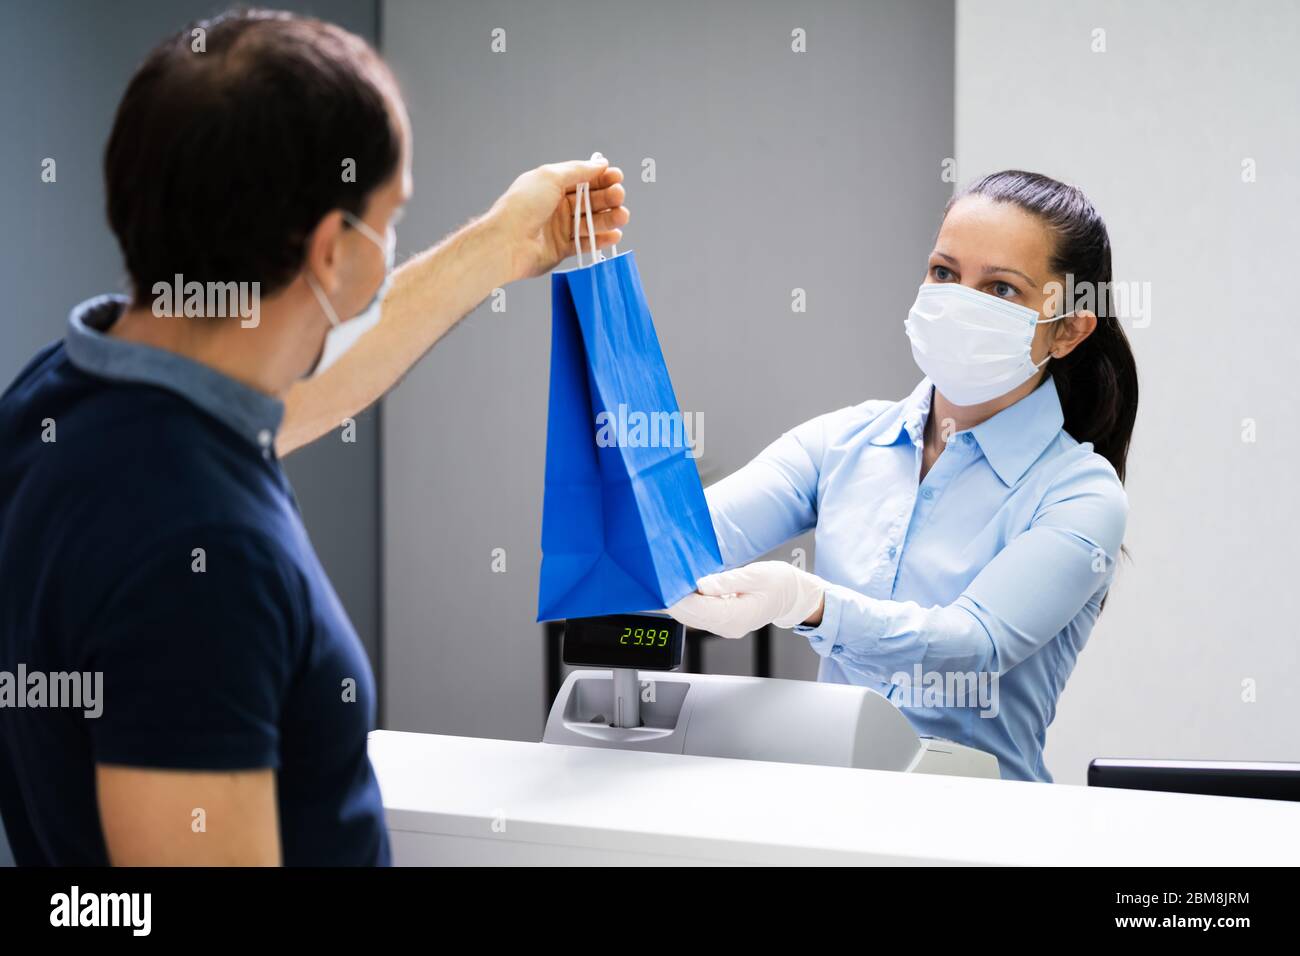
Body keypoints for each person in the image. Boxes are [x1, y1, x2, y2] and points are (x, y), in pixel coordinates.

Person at [0, 9, 627, 865]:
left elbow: (294, 395)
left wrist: (505, 244)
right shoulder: (205, 561)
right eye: (391, 216)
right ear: (331, 250)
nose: (391, 239)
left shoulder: (62, 403)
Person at [671, 171, 1138, 783]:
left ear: (1070, 328)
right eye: (945, 273)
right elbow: (687, 534)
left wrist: (808, 601)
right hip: (831, 816)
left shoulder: (1082, 495)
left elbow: (973, 646)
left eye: (1001, 289)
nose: (959, 301)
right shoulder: (842, 442)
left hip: (981, 834)